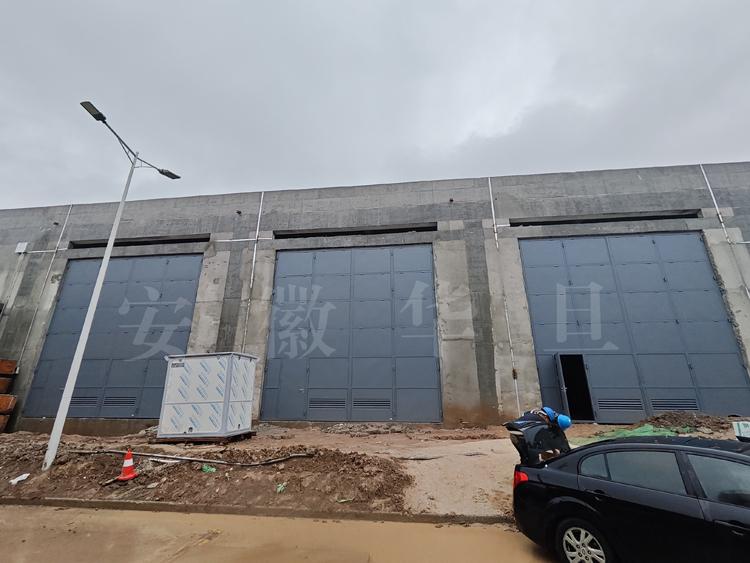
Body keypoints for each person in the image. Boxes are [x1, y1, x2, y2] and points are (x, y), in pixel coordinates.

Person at [505, 406, 573, 463]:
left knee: (525, 457)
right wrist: (554, 452)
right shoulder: (543, 423)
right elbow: (546, 439)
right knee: (533, 461)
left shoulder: (539, 413)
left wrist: (552, 451)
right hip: (523, 436)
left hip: (514, 435)